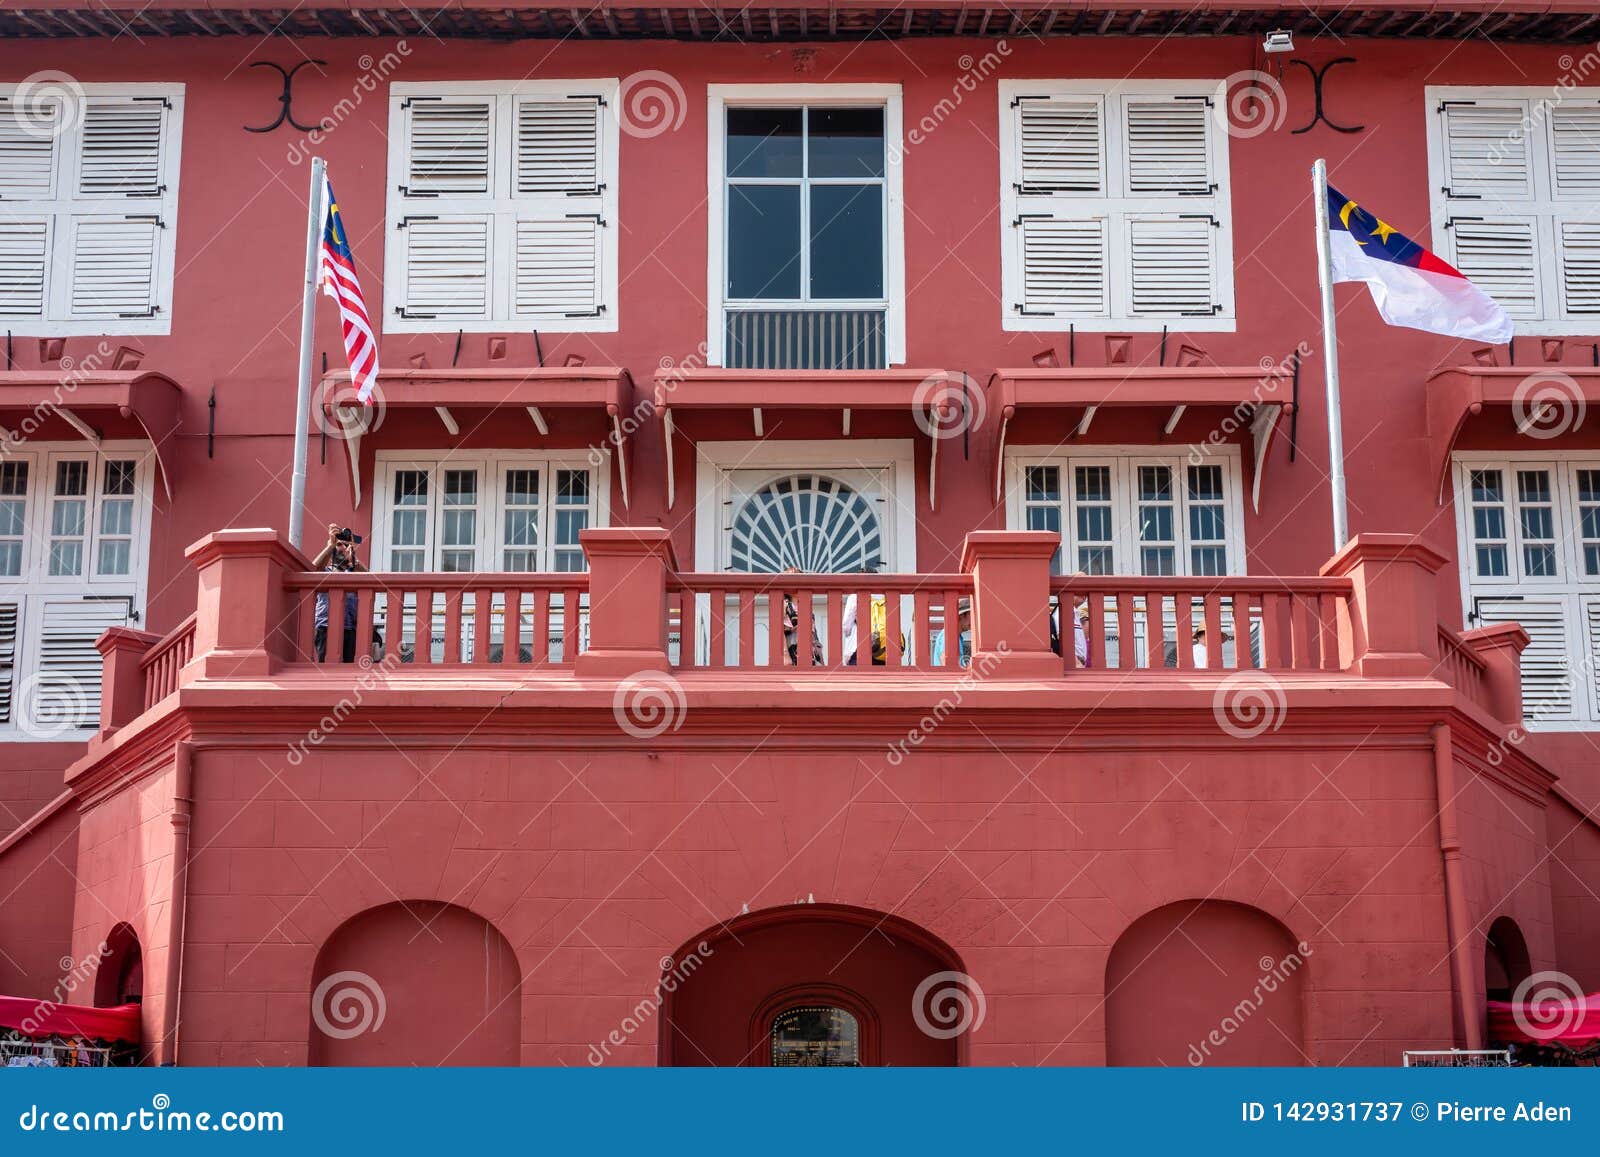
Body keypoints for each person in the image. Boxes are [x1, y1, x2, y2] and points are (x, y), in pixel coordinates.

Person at [310, 523, 366, 662]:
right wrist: (330, 545)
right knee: (327, 669)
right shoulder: (327, 570)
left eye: (347, 545)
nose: (343, 548)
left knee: (348, 672)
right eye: (340, 544)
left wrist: (354, 562)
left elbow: (370, 578)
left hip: (351, 629)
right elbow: (313, 570)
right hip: (326, 627)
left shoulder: (355, 572)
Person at [779, 567, 824, 667]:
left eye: (798, 579)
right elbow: (778, 630)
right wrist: (785, 655)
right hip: (793, 651)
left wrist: (821, 661)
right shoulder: (784, 605)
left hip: (811, 654)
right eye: (791, 580)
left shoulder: (807, 608)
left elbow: (815, 637)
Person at [929, 597, 971, 668]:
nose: (973, 619)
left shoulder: (956, 636)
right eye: (971, 614)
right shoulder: (948, 635)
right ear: (961, 616)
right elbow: (946, 663)